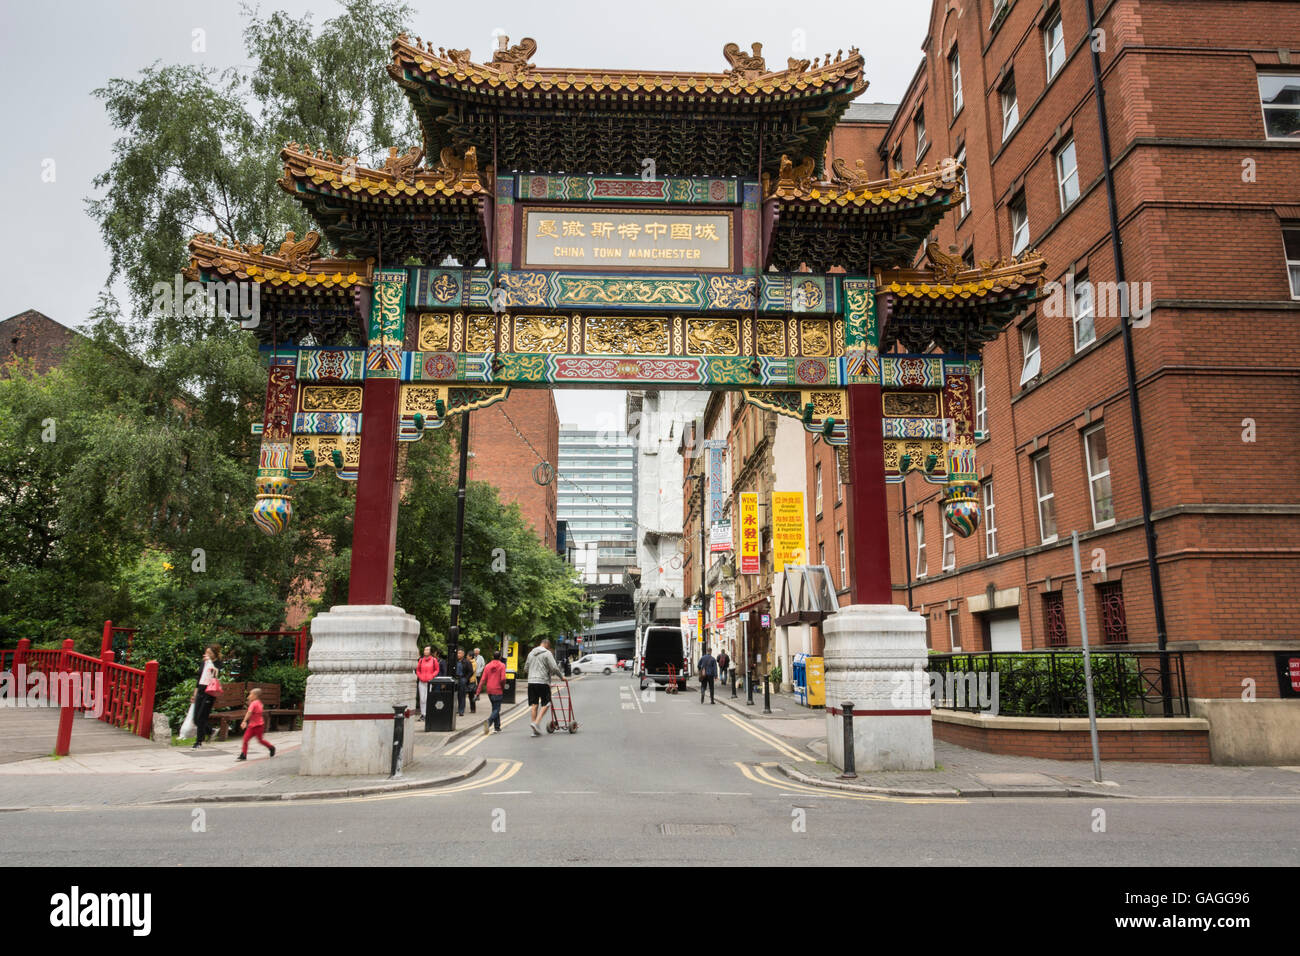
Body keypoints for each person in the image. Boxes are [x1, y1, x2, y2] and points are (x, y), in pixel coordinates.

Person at [525, 638, 565, 737]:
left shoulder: (531, 653)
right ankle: (536, 723)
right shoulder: (547, 653)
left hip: (531, 682)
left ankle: (534, 731)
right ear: (547, 644)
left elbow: (526, 668)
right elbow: (554, 667)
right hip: (543, 681)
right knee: (546, 703)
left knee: (534, 705)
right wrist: (561, 677)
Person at [189, 645, 221, 749]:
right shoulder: (204, 662)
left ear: (214, 654)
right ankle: (210, 731)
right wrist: (195, 694)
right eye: (206, 652)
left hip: (210, 691)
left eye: (210, 653)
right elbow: (199, 679)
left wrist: (210, 663)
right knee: (196, 718)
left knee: (201, 717)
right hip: (201, 690)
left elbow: (215, 674)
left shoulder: (217, 663)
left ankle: (198, 741)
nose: (207, 655)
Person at [236, 687, 276, 760]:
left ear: (255, 695)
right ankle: (243, 754)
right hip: (255, 725)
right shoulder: (259, 703)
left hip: (257, 725)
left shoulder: (254, 704)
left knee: (254, 740)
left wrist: (244, 721)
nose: (249, 696)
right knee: (248, 739)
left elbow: (249, 712)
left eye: (250, 694)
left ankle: (271, 747)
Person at [475, 651, 508, 734]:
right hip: (498, 689)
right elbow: (503, 679)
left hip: (489, 690)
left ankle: (497, 727)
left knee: (494, 708)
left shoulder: (487, 666)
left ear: (493, 656)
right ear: (500, 657)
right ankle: (489, 722)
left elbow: (482, 680)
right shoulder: (502, 665)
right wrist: (502, 686)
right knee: (497, 709)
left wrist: (478, 692)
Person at [415, 646, 439, 718]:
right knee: (422, 699)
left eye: (427, 650)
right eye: (425, 649)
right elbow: (418, 670)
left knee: (427, 698)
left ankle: (428, 713)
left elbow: (437, 670)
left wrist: (432, 676)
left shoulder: (434, 660)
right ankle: (423, 714)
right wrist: (420, 676)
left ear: (430, 651)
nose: (426, 651)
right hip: (421, 681)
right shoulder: (421, 660)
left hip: (429, 682)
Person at [455, 649, 471, 717]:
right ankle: (456, 709)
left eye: (460, 653)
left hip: (462, 679)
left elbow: (471, 671)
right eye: (458, 653)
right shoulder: (454, 661)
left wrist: (466, 679)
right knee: (456, 695)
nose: (458, 654)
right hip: (455, 679)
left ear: (463, 654)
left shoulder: (467, 662)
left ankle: (461, 710)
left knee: (462, 696)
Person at [470, 647, 485, 714]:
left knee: (478, 684)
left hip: (478, 673)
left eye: (477, 651)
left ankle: (477, 695)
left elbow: (483, 665)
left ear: (479, 652)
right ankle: (474, 694)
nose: (476, 652)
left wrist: (480, 671)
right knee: (473, 685)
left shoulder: (481, 657)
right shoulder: (472, 657)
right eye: (475, 651)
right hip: (472, 674)